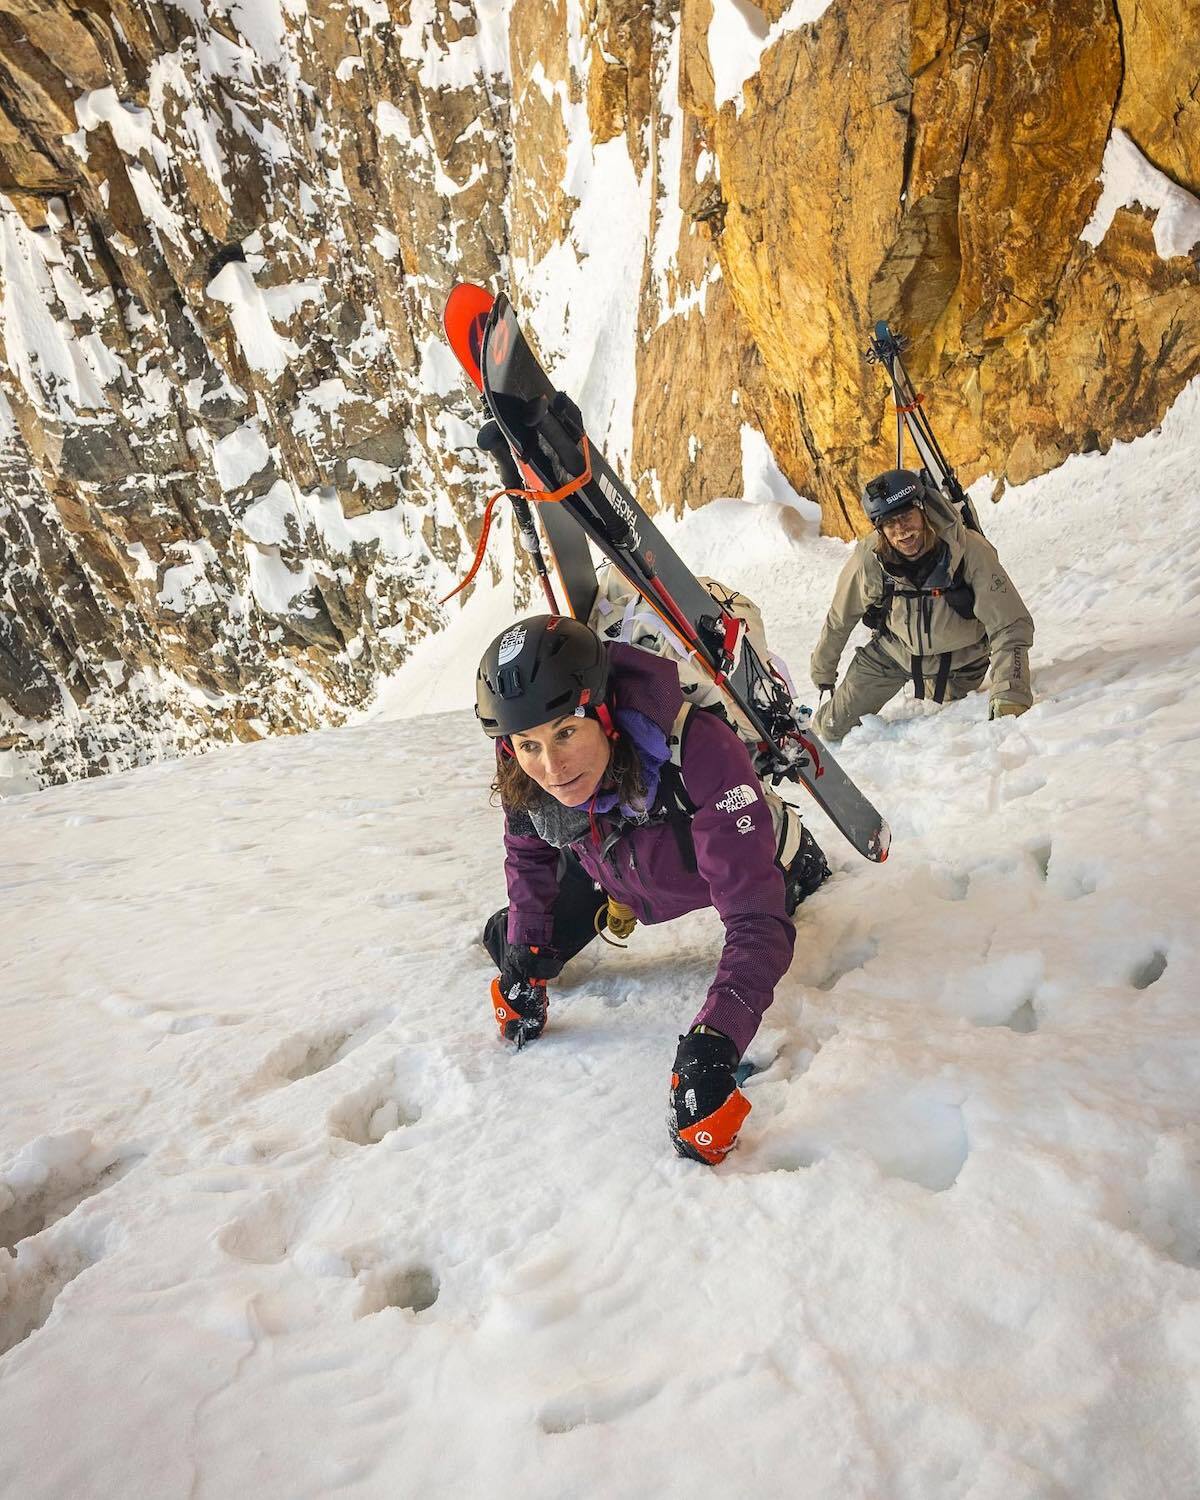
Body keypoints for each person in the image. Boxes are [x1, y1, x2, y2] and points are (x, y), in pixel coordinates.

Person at [476, 614, 830, 1165]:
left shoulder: (701, 748)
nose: (551, 767)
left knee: (774, 896)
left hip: (754, 861)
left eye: (567, 732)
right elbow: (528, 851)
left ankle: (799, 858)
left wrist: (717, 1040)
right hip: (617, 871)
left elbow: (756, 923)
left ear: (603, 714)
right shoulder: (525, 758)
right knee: (512, 943)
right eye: (528, 746)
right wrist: (526, 951)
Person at [810, 469, 1034, 740]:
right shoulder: (869, 560)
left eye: (906, 517)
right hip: (894, 655)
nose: (901, 531)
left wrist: (1011, 691)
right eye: (890, 524)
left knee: (951, 703)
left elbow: (1010, 625)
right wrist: (823, 671)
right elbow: (840, 618)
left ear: (923, 511)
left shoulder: (968, 550)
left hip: (963, 662)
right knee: (831, 728)